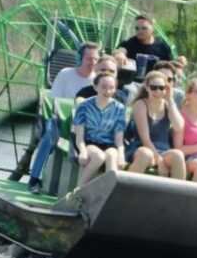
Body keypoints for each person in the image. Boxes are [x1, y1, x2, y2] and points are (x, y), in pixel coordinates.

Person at [28, 42, 100, 193]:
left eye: (95, 59)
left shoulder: (98, 81)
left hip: (84, 123)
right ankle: (35, 178)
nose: (92, 63)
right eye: (89, 59)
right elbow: (56, 102)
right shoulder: (65, 74)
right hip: (61, 119)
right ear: (80, 59)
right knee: (50, 133)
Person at [126, 71, 186, 179]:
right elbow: (145, 140)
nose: (158, 91)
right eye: (153, 87)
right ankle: (124, 188)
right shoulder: (140, 104)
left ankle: (178, 190)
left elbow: (178, 126)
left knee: (178, 155)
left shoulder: (168, 105)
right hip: (142, 147)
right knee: (146, 154)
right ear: (147, 87)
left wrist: (170, 99)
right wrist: (160, 160)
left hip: (164, 150)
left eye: (161, 88)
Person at [73, 72, 127, 187]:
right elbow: (79, 136)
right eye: (104, 87)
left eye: (111, 88)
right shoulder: (84, 106)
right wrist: (82, 151)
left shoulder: (119, 108)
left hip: (109, 144)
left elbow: (119, 139)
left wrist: (121, 154)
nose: (108, 91)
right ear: (95, 87)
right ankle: (79, 189)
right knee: (99, 157)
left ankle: (109, 191)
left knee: (112, 156)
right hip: (88, 142)